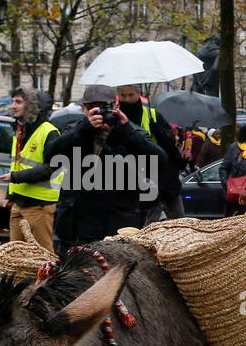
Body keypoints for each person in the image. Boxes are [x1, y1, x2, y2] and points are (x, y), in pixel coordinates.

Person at [51, 84, 165, 254]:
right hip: (80, 225)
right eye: (93, 108)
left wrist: (124, 130)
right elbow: (52, 153)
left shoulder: (129, 130)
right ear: (83, 108)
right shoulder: (76, 130)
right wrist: (85, 129)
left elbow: (159, 159)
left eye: (105, 108)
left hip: (118, 223)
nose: (100, 113)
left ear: (115, 107)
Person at [0, 86, 64, 246]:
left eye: (18, 102)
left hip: (39, 205)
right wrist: (10, 195)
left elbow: (52, 168)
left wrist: (15, 178)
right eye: (13, 101)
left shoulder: (49, 132)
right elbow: (17, 165)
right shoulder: (21, 130)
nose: (13, 106)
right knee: (15, 257)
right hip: (19, 203)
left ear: (32, 106)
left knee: (43, 255)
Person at [116, 84, 186, 221]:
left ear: (138, 94)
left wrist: (181, 161)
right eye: (123, 95)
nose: (128, 99)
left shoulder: (153, 115)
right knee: (146, 228)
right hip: (138, 182)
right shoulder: (116, 119)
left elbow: (169, 146)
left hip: (165, 180)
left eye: (131, 95)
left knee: (180, 224)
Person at [219, 124, 246, 214]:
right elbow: (223, 168)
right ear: (245, 133)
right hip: (235, 193)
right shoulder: (234, 148)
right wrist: (227, 185)